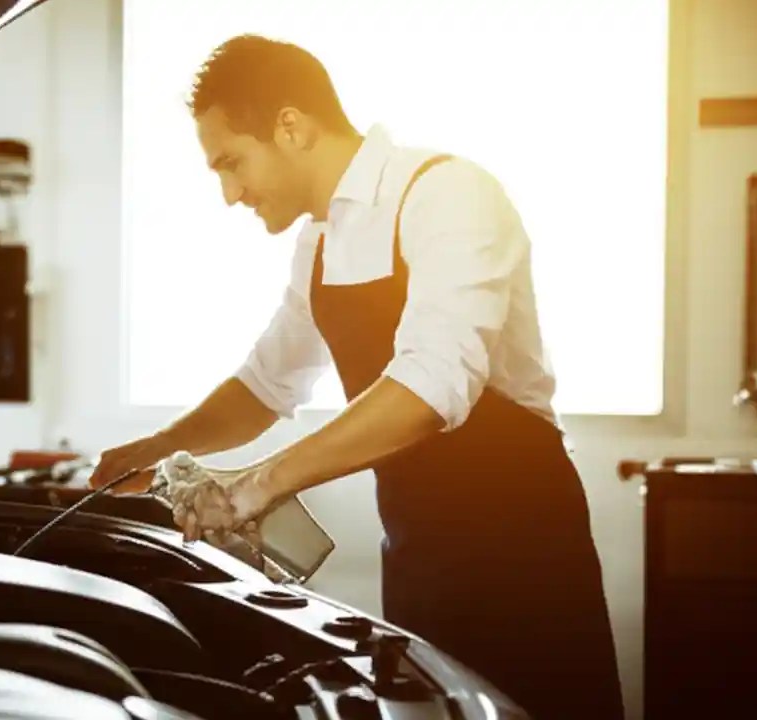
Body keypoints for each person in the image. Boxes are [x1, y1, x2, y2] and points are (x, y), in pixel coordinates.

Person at [87, 34, 624, 719]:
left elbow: (431, 386)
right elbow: (265, 385)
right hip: (418, 544)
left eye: (231, 162)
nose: (228, 194)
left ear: (291, 126)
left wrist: (256, 484)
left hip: (521, 538)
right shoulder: (318, 243)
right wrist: (151, 451)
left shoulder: (448, 193)